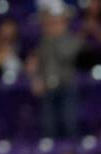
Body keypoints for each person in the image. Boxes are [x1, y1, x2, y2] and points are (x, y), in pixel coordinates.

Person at [27, 10, 83, 140]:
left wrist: (56, 38)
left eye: (56, 23)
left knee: (69, 123)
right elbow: (35, 63)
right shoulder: (43, 41)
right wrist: (35, 79)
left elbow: (66, 54)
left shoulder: (72, 39)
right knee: (49, 127)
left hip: (66, 86)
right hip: (48, 88)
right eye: (50, 23)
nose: (53, 26)